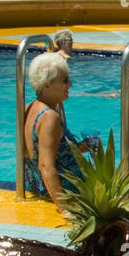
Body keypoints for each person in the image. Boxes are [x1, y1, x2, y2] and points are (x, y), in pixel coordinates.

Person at [23, 53, 96, 204]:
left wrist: (82, 146)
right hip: (66, 192)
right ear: (47, 84)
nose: (70, 84)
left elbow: (45, 152)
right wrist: (63, 208)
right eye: (64, 80)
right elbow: (45, 166)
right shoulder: (49, 117)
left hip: (37, 186)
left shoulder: (29, 108)